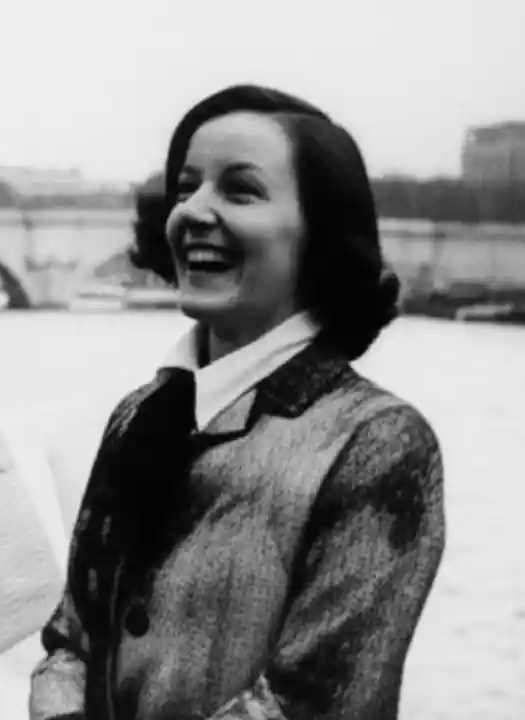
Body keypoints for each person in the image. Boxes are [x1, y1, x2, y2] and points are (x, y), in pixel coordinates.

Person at [30, 84, 446, 720]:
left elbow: (311, 704)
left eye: (239, 189)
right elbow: (72, 639)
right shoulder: (138, 413)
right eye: (185, 187)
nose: (193, 211)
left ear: (320, 235)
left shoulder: (378, 442)